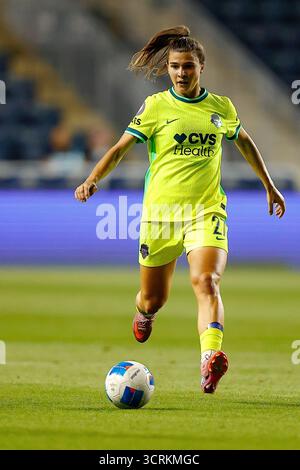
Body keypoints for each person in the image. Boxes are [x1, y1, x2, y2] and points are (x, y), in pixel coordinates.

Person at [74, 26, 285, 394]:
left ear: (201, 67)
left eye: (188, 66)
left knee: (207, 282)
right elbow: (121, 147)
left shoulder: (221, 107)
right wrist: (93, 178)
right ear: (168, 69)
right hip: (160, 217)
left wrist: (269, 185)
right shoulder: (156, 107)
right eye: (174, 66)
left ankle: (210, 359)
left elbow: (245, 143)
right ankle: (145, 313)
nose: (181, 73)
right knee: (154, 297)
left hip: (207, 211)